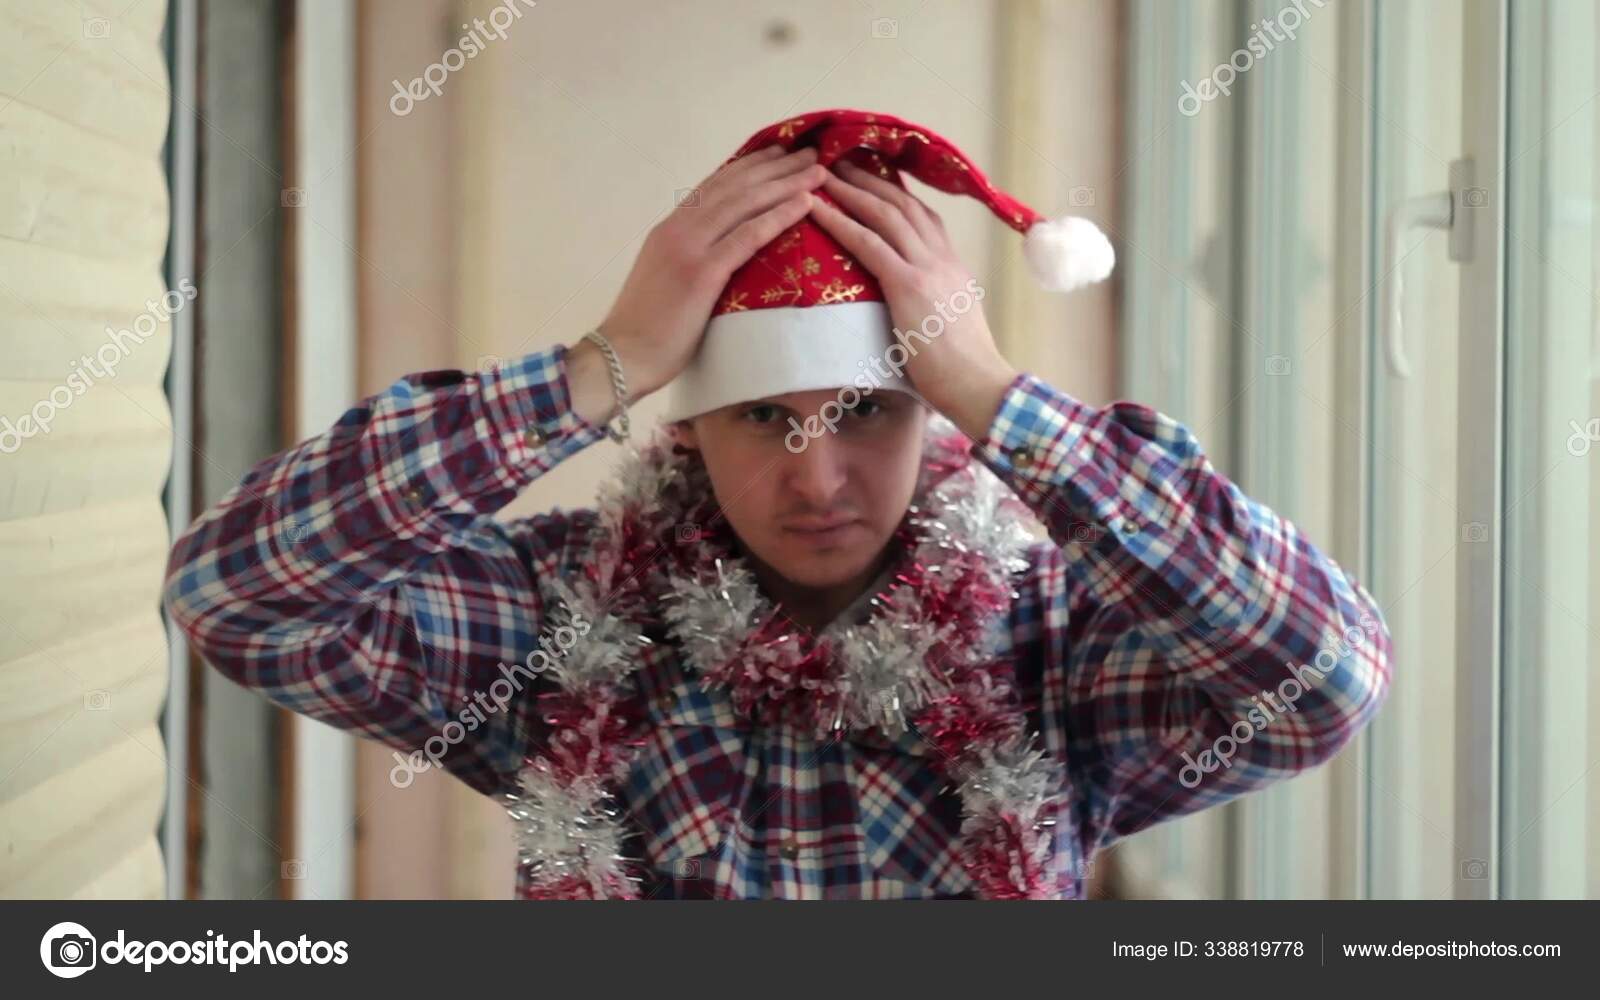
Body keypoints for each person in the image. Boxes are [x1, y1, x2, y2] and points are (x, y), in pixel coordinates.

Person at [165, 109, 1391, 900]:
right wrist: (599, 366)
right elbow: (240, 595)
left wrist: (991, 390)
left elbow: (1326, 673)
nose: (814, 476)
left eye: (865, 409)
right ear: (685, 422)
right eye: (763, 417)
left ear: (930, 417)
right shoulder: (555, 624)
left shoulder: (1051, 644)